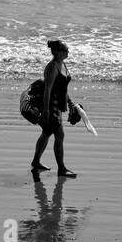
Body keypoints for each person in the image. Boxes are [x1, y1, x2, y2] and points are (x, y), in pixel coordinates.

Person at [31, 38, 75, 177]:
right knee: (59, 134)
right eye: (64, 50)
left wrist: (70, 102)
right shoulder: (52, 67)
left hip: (58, 105)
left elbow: (63, 88)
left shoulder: (63, 65)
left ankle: (36, 161)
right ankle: (61, 169)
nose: (67, 52)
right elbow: (47, 90)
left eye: (67, 50)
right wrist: (45, 110)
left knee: (47, 132)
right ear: (56, 52)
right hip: (51, 105)